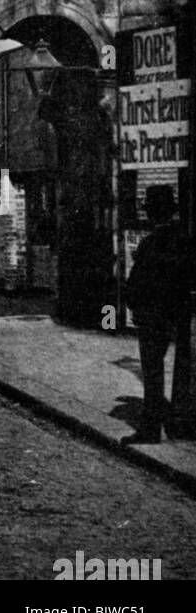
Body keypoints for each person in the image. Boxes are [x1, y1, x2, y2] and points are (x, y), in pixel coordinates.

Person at [122, 185, 196, 443]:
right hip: (174, 315)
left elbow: (137, 282)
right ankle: (173, 421)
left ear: (153, 213)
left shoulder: (151, 243)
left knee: (152, 373)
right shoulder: (183, 240)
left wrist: (132, 303)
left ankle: (150, 428)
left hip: (152, 317)